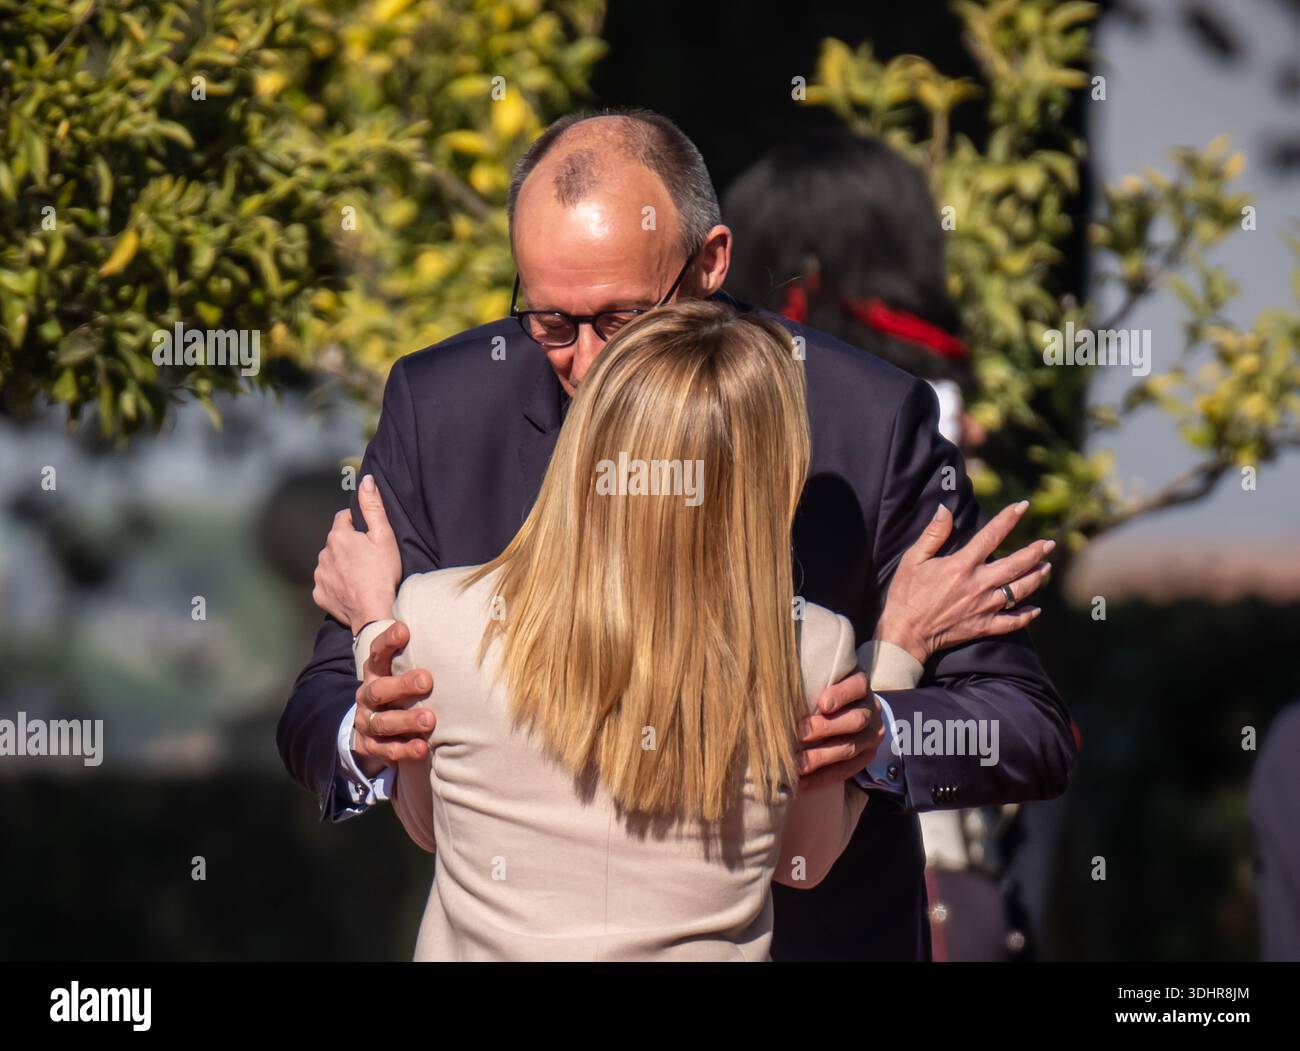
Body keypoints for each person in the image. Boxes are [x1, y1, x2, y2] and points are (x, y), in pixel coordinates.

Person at [279, 108, 1076, 960]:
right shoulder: (442, 410)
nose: (586, 363)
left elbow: (1022, 727)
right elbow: (322, 706)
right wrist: (363, 738)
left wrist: (875, 729)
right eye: (548, 321)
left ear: (710, 261)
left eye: (621, 319)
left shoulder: (862, 420)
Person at [333, 301, 1050, 960]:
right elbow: (807, 856)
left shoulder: (433, 617)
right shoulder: (807, 650)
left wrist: (374, 630)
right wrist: (898, 645)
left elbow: (430, 826)